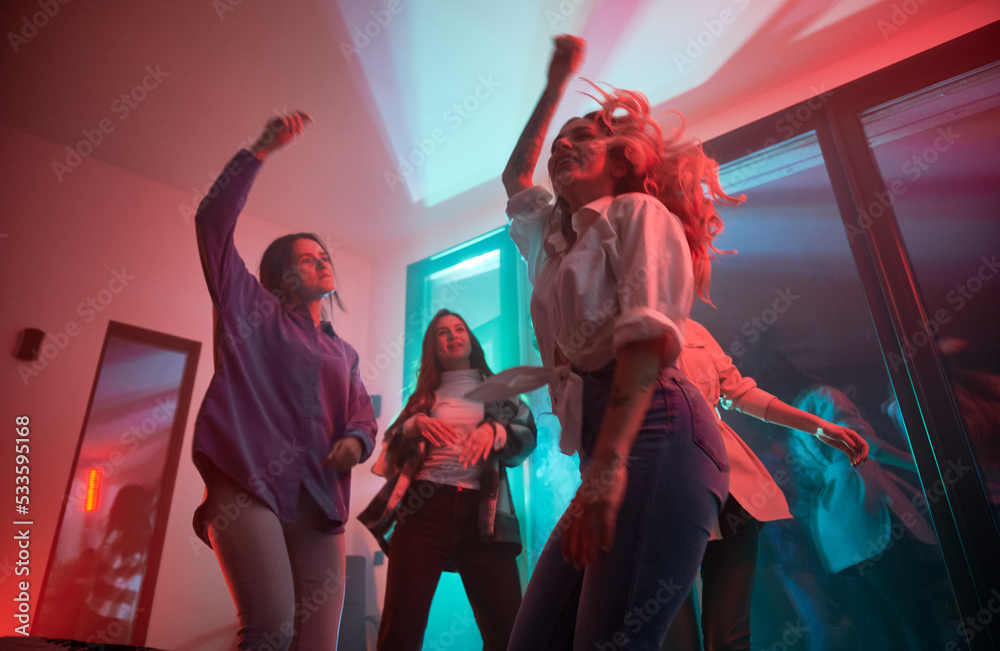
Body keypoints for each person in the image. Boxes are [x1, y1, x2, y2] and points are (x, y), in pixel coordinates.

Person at [501, 34, 732, 649]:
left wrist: (607, 469)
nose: (564, 146)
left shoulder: (636, 214)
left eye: (583, 136)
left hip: (658, 430)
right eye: (559, 142)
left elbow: (645, 341)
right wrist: (553, 85)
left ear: (624, 159)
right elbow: (515, 174)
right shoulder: (552, 245)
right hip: (605, 453)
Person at [191, 111, 377, 650]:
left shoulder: (344, 352)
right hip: (247, 483)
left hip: (319, 502)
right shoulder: (249, 305)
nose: (320, 261)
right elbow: (211, 223)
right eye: (306, 258)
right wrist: (260, 151)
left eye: (323, 256)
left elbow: (362, 414)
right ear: (280, 275)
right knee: (270, 633)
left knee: (317, 645)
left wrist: (356, 440)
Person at [664, 319, 869, 650]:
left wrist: (816, 426)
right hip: (664, 485)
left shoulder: (695, 330)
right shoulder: (627, 323)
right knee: (672, 632)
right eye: (699, 261)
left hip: (729, 483)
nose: (702, 267)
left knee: (730, 635)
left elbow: (739, 391)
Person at [358, 309, 536, 651]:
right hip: (423, 510)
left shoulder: (501, 389)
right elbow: (386, 458)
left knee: (509, 631)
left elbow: (528, 435)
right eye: (442, 332)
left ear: (471, 339)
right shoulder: (422, 397)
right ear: (433, 348)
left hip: (486, 516)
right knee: (400, 630)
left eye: (459, 329)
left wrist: (496, 430)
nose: (453, 335)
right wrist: (413, 426)